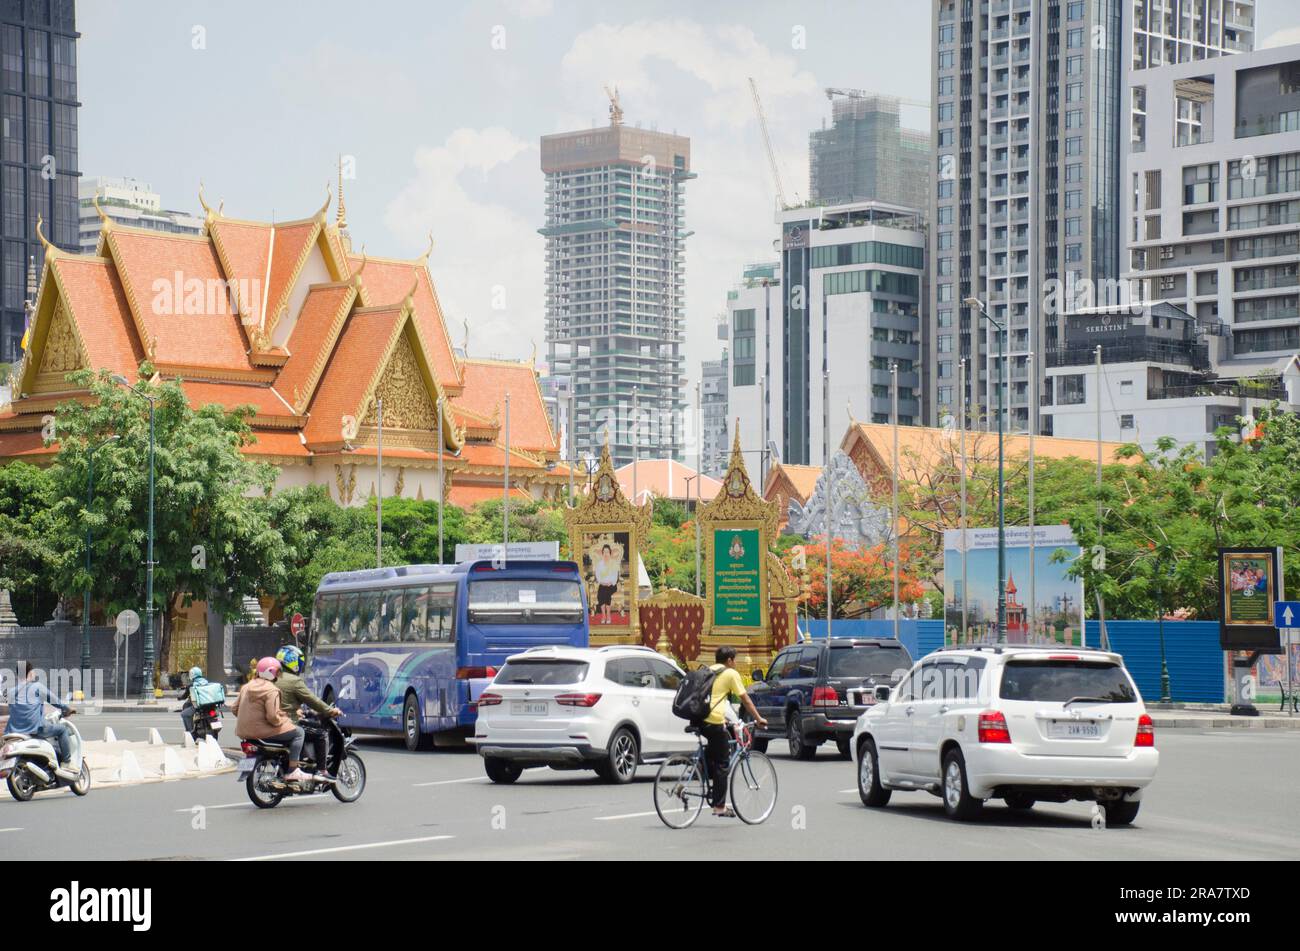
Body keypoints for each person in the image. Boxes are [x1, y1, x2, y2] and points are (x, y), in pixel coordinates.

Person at [702, 646, 767, 819]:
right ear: (729, 660)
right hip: (714, 719)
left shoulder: (707, 670)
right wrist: (759, 718)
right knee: (723, 763)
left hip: (698, 718)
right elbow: (745, 700)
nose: (736, 663)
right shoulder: (730, 674)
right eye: (734, 660)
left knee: (713, 752)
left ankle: (697, 774)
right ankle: (719, 807)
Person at [231, 657, 311, 782]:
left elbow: (234, 709)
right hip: (262, 732)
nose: (278, 675)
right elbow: (272, 717)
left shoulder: (246, 687)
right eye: (277, 672)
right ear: (272, 672)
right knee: (299, 732)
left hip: (243, 732)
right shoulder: (271, 689)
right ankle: (293, 770)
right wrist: (284, 720)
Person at [273, 645, 339, 781]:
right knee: (321, 734)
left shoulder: (271, 678)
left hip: (270, 723)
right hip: (286, 723)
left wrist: (297, 709)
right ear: (293, 662)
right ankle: (321, 770)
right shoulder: (294, 681)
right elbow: (312, 700)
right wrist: (330, 710)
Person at [3, 662, 77, 777]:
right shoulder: (37, 687)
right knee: (62, 730)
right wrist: (67, 709)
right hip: (35, 728)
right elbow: (55, 701)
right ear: (31, 673)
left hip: (13, 731)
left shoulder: (11, 692)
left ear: (18, 675)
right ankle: (67, 762)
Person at [178, 665, 208, 738]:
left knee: (184, 714)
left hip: (199, 706)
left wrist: (179, 697)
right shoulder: (206, 682)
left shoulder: (191, 685)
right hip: (208, 705)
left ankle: (191, 733)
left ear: (192, 675)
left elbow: (185, 696)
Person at [593, 544, 619, 625]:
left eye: (607, 552)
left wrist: (610, 582)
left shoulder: (613, 563)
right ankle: (604, 616)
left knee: (605, 592)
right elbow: (598, 576)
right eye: (604, 552)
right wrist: (602, 582)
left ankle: (608, 615)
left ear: (610, 553)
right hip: (603, 584)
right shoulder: (599, 564)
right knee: (602, 593)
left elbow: (615, 576)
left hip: (612, 585)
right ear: (602, 553)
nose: (606, 554)